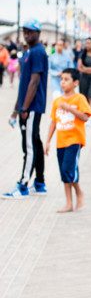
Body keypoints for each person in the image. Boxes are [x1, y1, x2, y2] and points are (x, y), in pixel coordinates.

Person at [4, 21, 49, 198]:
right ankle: (39, 183)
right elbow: (23, 85)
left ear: (38, 33)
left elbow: (34, 81)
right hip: (26, 107)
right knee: (35, 143)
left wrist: (25, 107)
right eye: (25, 32)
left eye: (31, 32)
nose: (27, 34)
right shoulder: (29, 52)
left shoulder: (38, 52)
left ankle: (23, 185)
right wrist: (16, 109)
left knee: (29, 146)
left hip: (32, 107)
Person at [44, 68, 91, 212]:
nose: (63, 82)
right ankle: (69, 202)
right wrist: (47, 141)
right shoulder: (57, 101)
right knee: (65, 172)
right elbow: (53, 122)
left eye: (66, 79)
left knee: (68, 169)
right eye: (61, 79)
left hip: (75, 140)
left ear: (75, 83)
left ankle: (79, 193)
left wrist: (69, 108)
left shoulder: (79, 99)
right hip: (61, 142)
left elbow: (86, 117)